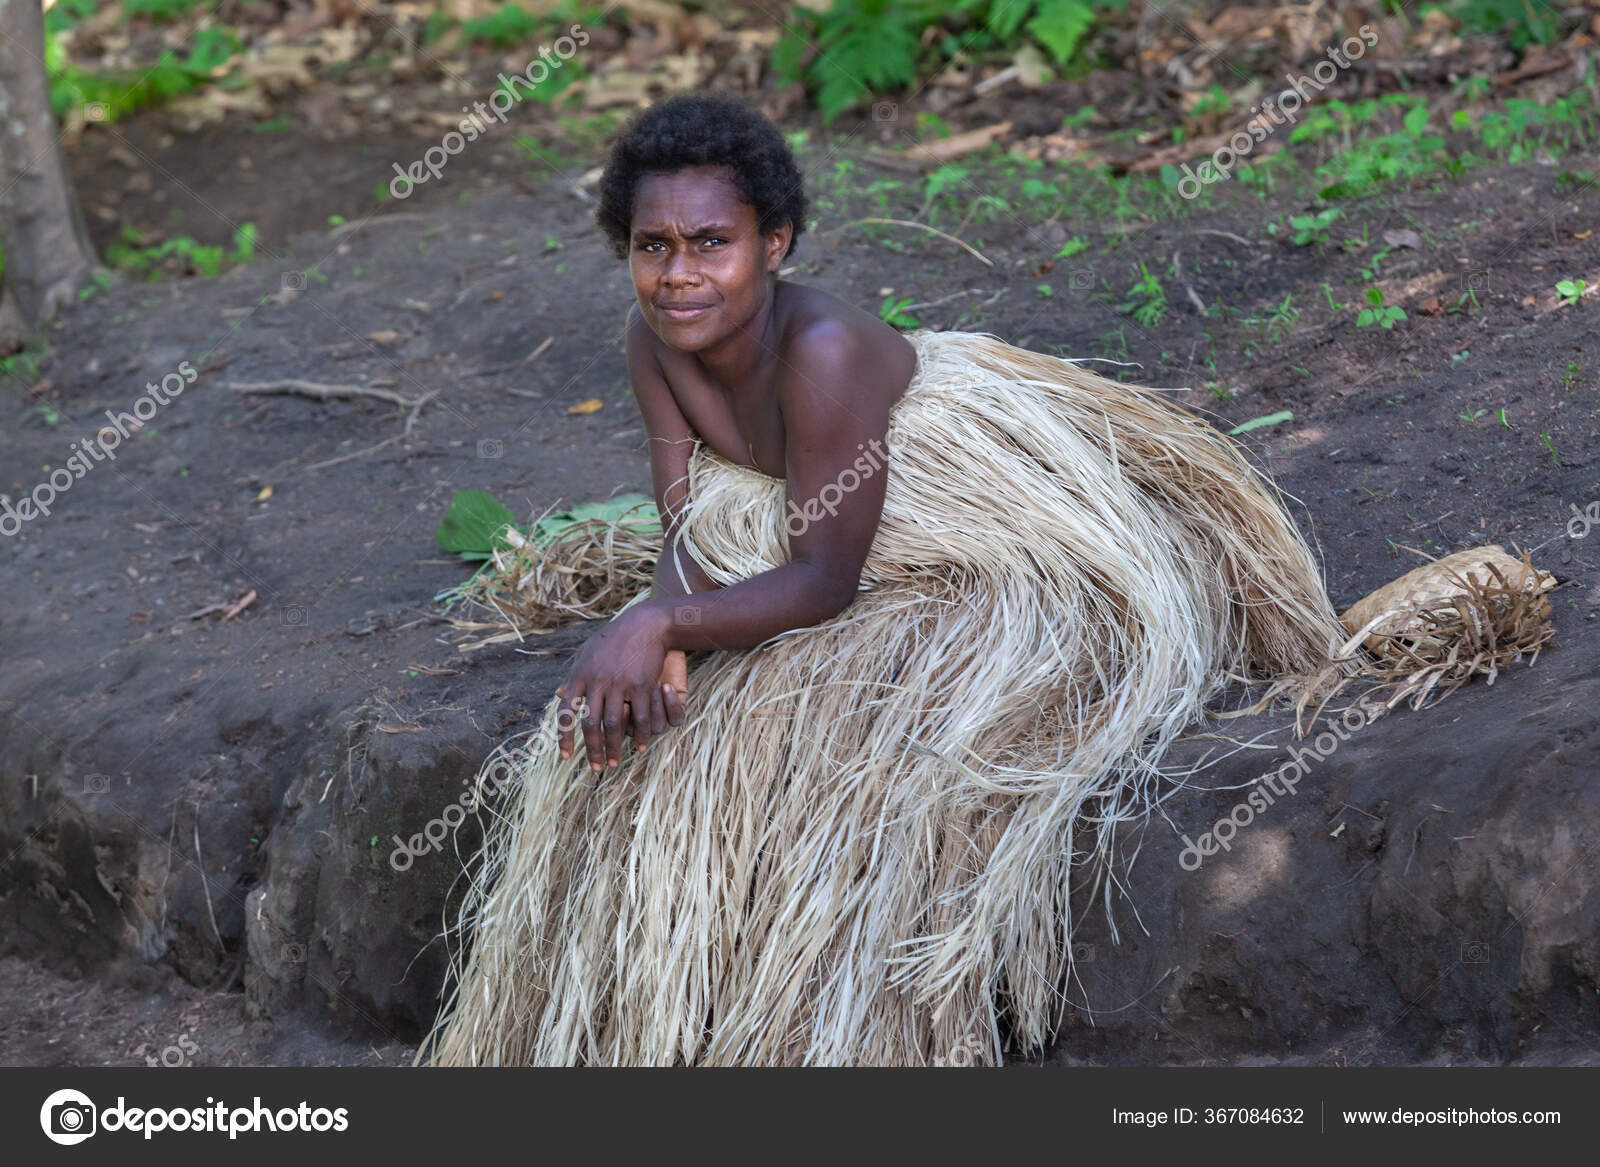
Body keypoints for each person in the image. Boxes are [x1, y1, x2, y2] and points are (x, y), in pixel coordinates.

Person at [425, 92, 1341, 1067]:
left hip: (955, 522)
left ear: (773, 243)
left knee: (858, 737)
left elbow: (823, 583)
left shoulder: (818, 354)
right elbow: (688, 519)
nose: (678, 274)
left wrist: (658, 627)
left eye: (709, 243)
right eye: (653, 247)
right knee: (641, 733)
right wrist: (666, 626)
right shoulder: (652, 342)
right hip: (822, 512)